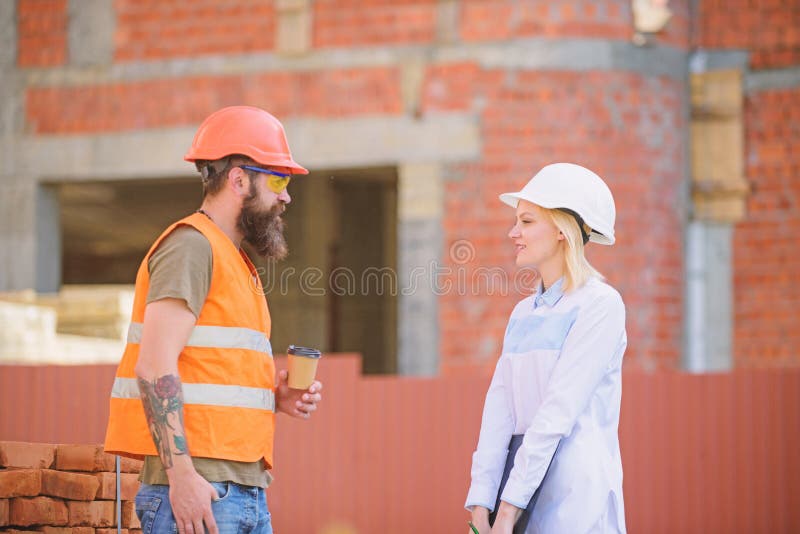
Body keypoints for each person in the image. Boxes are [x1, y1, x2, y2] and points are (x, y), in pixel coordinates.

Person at [104, 105, 323, 534]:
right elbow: (153, 366)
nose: (286, 196)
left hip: (243, 490)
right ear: (239, 179)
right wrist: (181, 476)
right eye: (278, 180)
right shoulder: (192, 247)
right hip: (199, 491)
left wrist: (273, 398)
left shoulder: (234, 260)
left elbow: (209, 373)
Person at [465, 163, 627, 534]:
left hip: (573, 503)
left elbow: (557, 413)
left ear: (561, 230)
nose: (513, 232)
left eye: (526, 221)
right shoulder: (523, 313)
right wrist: (480, 504)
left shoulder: (600, 305)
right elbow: (499, 411)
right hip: (517, 495)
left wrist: (507, 509)